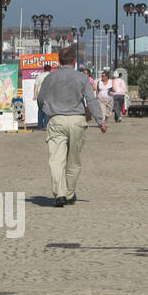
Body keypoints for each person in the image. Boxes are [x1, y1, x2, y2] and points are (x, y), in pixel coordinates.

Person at [35, 46, 106, 207]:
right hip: (77, 120)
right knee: (74, 159)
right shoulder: (82, 78)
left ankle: (59, 193)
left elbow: (40, 99)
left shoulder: (50, 78)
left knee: (56, 159)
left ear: (59, 61)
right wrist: (100, 121)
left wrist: (47, 111)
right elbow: (91, 100)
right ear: (74, 62)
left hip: (57, 120)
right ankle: (69, 193)